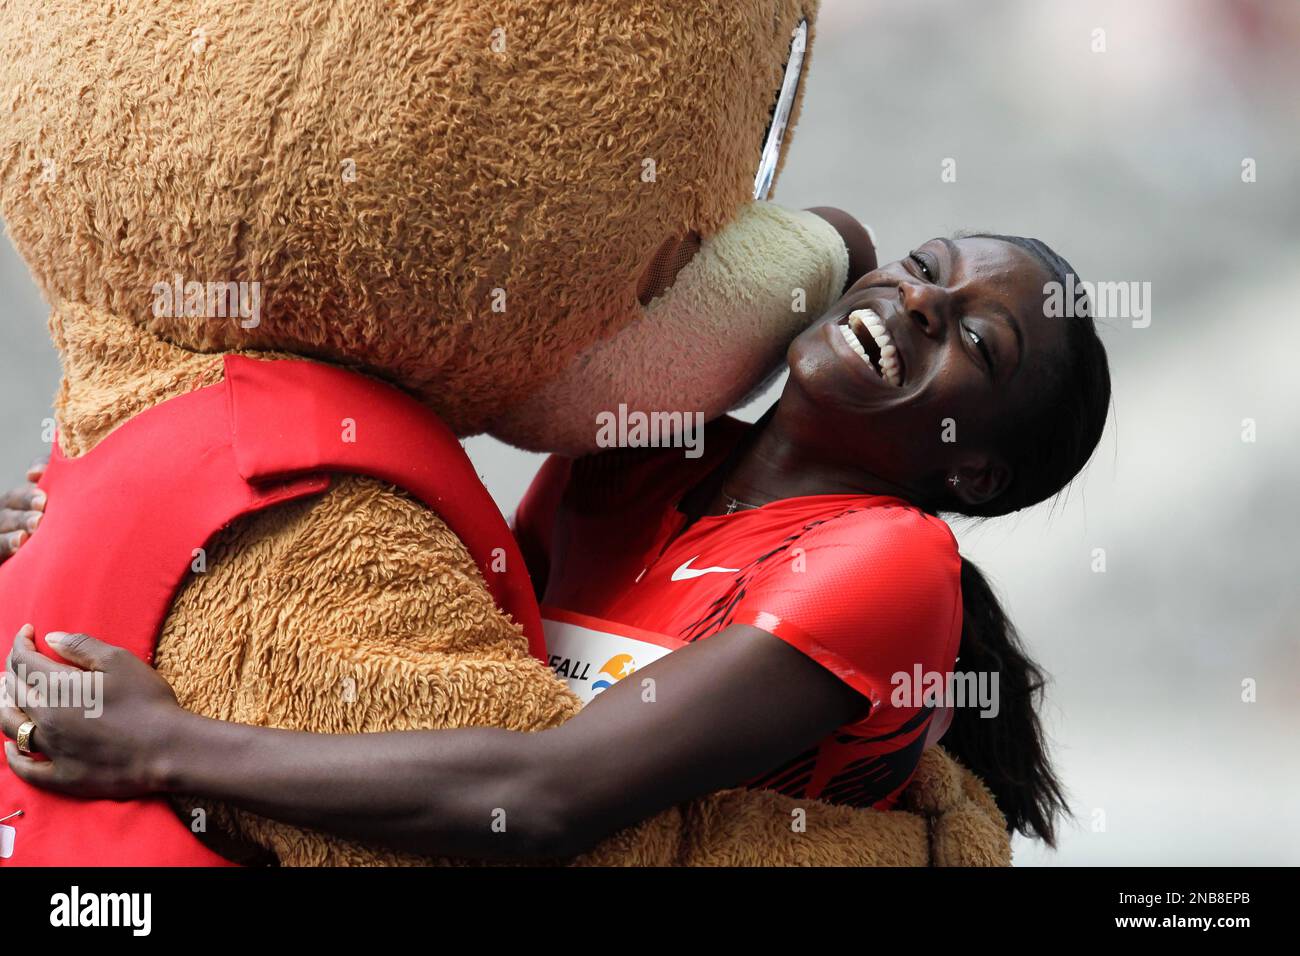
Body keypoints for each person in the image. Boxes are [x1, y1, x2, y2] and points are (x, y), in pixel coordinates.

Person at [0, 233, 1110, 860]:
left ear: (979, 472)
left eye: (976, 336)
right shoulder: (627, 456)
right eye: (925, 263)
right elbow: (448, 679)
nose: (920, 299)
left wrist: (161, 743)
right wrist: (94, 524)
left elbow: (542, 794)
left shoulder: (890, 556)